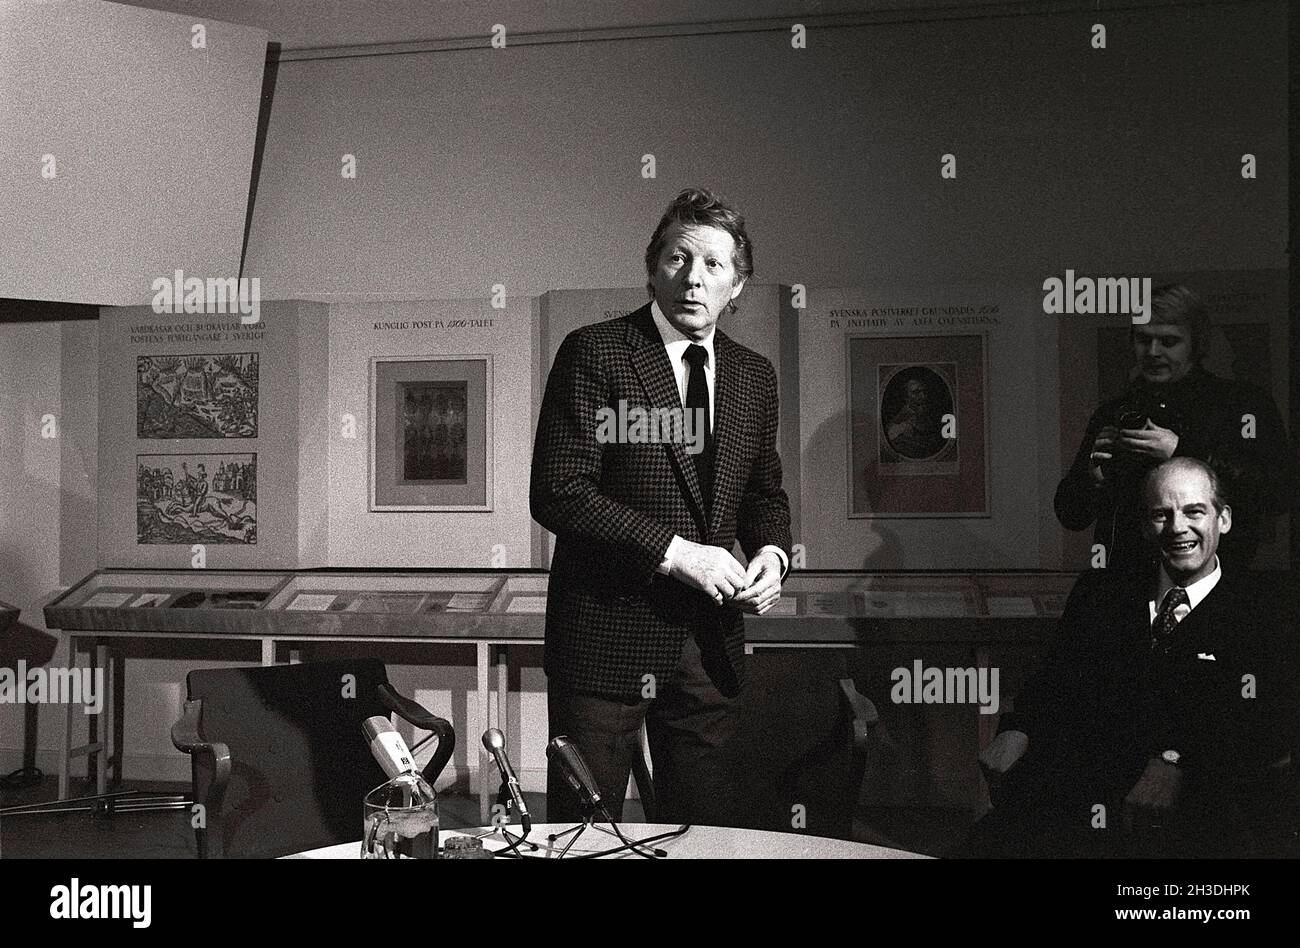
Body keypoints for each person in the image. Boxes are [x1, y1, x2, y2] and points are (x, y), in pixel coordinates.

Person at [530, 188, 792, 825]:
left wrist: (771, 557)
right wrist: (678, 555)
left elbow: (765, 495)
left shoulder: (754, 376)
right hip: (606, 635)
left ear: (738, 284)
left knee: (702, 833)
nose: (693, 279)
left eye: (712, 266)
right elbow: (560, 491)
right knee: (582, 834)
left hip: (708, 642)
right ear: (652, 268)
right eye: (677, 259)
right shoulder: (596, 353)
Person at [973, 457, 1298, 857]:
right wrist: (1017, 729)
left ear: (1223, 519)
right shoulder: (1102, 592)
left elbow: (1270, 724)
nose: (1178, 528)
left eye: (1194, 511)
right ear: (1146, 526)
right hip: (1081, 798)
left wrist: (1177, 762)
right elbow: (1054, 678)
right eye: (1162, 515)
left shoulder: (1266, 609)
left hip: (1198, 811)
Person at [1054, 284, 1295, 573]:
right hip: (1128, 584)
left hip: (1218, 583)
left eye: (1168, 342)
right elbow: (1070, 516)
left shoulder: (1241, 404)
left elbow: (1279, 494)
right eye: (1143, 340)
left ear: (1196, 344)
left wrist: (1180, 451)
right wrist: (1092, 479)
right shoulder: (1114, 412)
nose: (1153, 352)